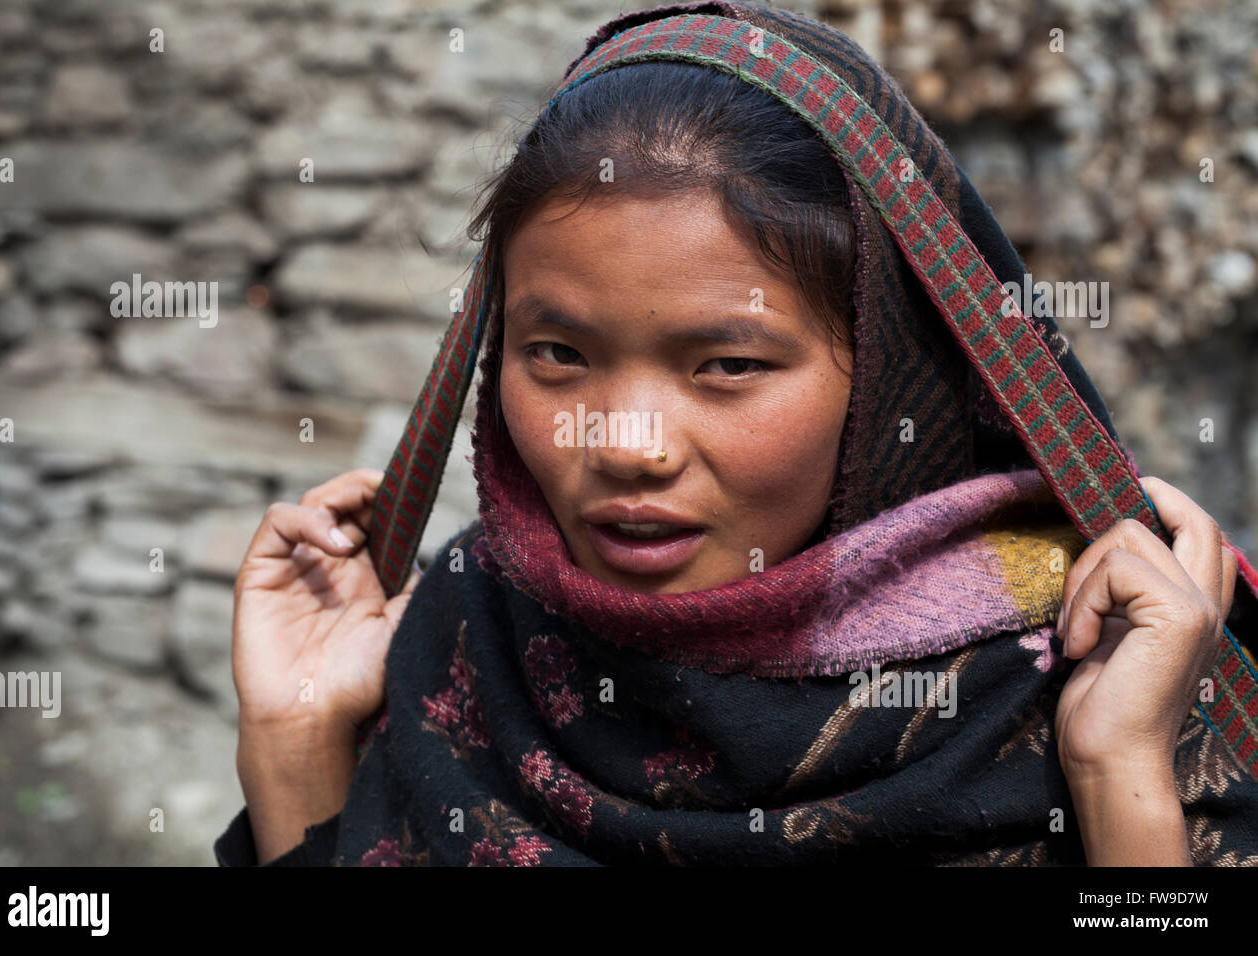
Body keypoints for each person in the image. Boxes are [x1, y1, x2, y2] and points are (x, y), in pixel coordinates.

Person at [215, 1, 1258, 866]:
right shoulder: (464, 631)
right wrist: (297, 736)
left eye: (728, 366)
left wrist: (1119, 773)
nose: (624, 443)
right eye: (559, 356)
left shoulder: (1104, 662)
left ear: (890, 368)